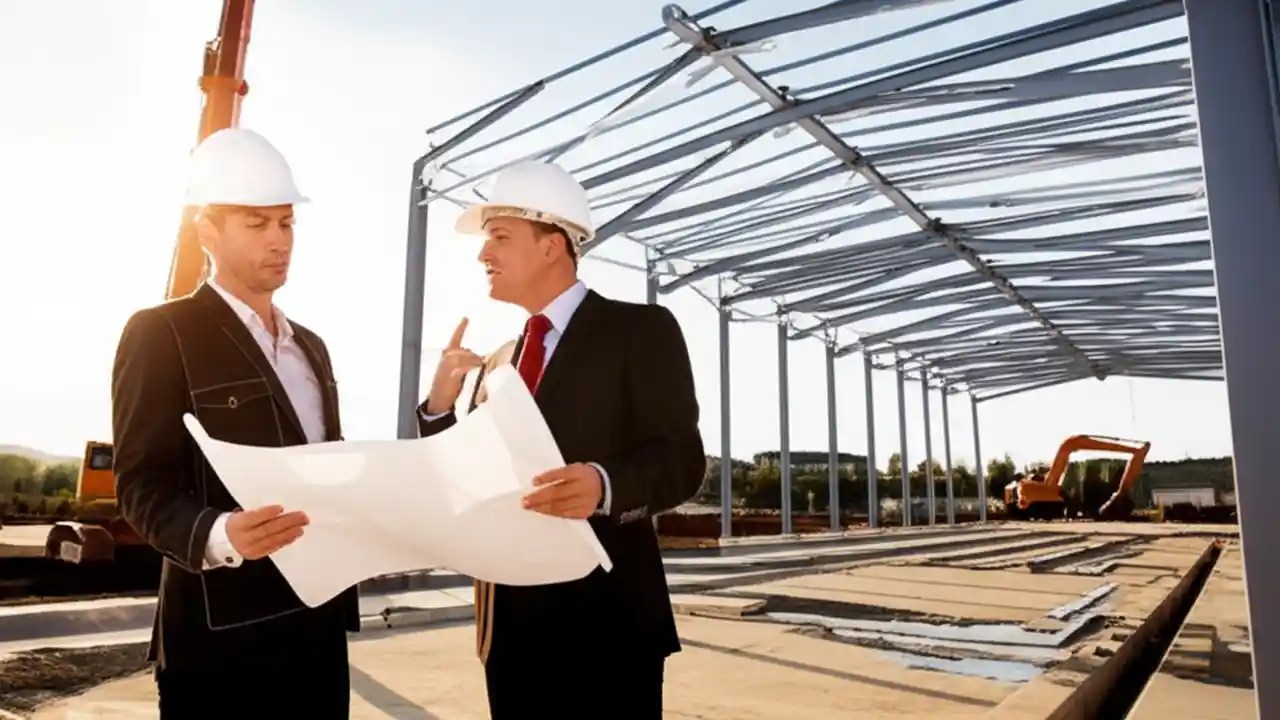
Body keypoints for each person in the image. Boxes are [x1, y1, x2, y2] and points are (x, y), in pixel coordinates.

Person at [417, 161, 707, 718]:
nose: (484, 255)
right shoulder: (496, 362)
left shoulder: (639, 330)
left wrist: (605, 486)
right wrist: (436, 408)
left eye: (499, 237)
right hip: (507, 631)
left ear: (552, 246)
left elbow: (682, 459)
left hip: (607, 632)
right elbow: (459, 480)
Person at [111, 127, 359, 718]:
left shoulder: (312, 349)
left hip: (317, 628)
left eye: (286, 224)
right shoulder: (161, 332)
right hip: (219, 642)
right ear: (207, 232)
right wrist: (220, 534)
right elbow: (140, 485)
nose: (279, 241)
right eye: (257, 224)